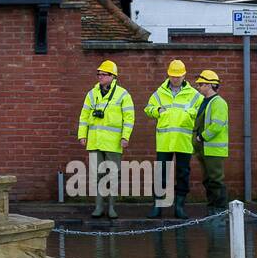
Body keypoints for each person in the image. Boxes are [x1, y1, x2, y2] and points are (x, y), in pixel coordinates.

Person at [77, 60, 134, 220]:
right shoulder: (91, 94)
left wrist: (125, 136)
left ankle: (112, 207)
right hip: (95, 142)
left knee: (113, 175)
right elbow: (84, 116)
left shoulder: (123, 94)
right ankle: (98, 206)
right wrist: (82, 135)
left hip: (113, 143)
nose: (100, 77)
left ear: (112, 76)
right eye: (99, 74)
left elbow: (129, 118)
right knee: (97, 174)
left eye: (103, 74)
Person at [145, 59, 201, 218]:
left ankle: (179, 207)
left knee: (183, 173)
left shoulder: (194, 94)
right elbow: (148, 109)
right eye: (172, 76)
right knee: (161, 173)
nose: (175, 79)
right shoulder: (160, 92)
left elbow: (201, 111)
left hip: (184, 140)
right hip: (165, 140)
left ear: (184, 75)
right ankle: (158, 206)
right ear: (168, 75)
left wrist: (190, 113)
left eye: (178, 76)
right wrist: (157, 110)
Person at [193, 68, 229, 210]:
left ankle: (220, 209)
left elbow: (217, 126)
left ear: (209, 85)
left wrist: (201, 137)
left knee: (216, 180)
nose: (198, 87)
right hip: (204, 148)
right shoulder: (204, 101)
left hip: (214, 148)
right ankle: (212, 207)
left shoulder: (218, 102)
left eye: (200, 84)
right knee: (207, 179)